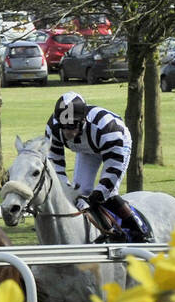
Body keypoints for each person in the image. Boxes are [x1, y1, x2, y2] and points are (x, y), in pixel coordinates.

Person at [44, 91, 149, 242]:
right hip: (87, 148)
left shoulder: (107, 129)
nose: (68, 132)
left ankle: (140, 230)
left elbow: (112, 172)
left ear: (83, 120)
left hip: (116, 145)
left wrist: (98, 194)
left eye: (72, 126)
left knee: (107, 194)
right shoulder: (53, 128)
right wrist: (67, 191)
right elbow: (54, 163)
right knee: (80, 192)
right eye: (64, 127)